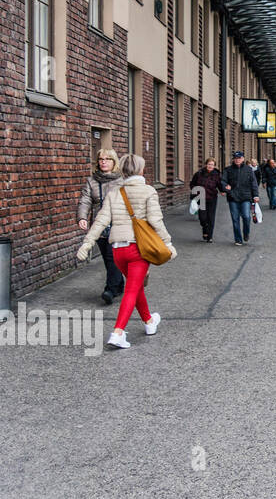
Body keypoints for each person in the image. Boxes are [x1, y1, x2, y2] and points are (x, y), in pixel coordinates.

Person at [76, 153, 176, 350]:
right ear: (141, 170)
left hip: (118, 250)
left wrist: (86, 244)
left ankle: (149, 322)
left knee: (135, 287)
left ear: (122, 170)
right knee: (132, 290)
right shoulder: (148, 191)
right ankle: (118, 332)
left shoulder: (115, 193)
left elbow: (101, 221)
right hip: (138, 249)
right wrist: (168, 244)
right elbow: (156, 221)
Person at [77, 149, 125, 305]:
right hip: (99, 224)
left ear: (114, 162)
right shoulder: (92, 181)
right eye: (101, 159)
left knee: (112, 256)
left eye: (107, 159)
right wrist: (82, 217)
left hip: (118, 223)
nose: (103, 162)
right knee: (107, 257)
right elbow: (85, 200)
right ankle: (119, 285)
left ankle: (110, 289)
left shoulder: (122, 180)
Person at [220, 150, 260, 245]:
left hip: (245, 197)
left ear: (243, 159)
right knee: (235, 219)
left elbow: (253, 183)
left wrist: (256, 195)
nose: (237, 160)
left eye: (239, 158)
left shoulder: (248, 170)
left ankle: (246, 233)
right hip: (233, 197)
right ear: (233, 159)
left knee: (246, 216)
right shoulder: (228, 170)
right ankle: (238, 239)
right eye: (235, 158)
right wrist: (226, 187)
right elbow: (223, 181)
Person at [190, 158, 222, 242]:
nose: (210, 166)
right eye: (209, 164)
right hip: (201, 198)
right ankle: (205, 228)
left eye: (212, 165)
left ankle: (210, 236)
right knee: (202, 218)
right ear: (206, 165)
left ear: (214, 166)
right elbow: (192, 184)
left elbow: (220, 185)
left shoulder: (217, 175)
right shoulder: (199, 174)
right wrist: (195, 191)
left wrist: (224, 190)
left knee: (211, 218)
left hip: (212, 198)